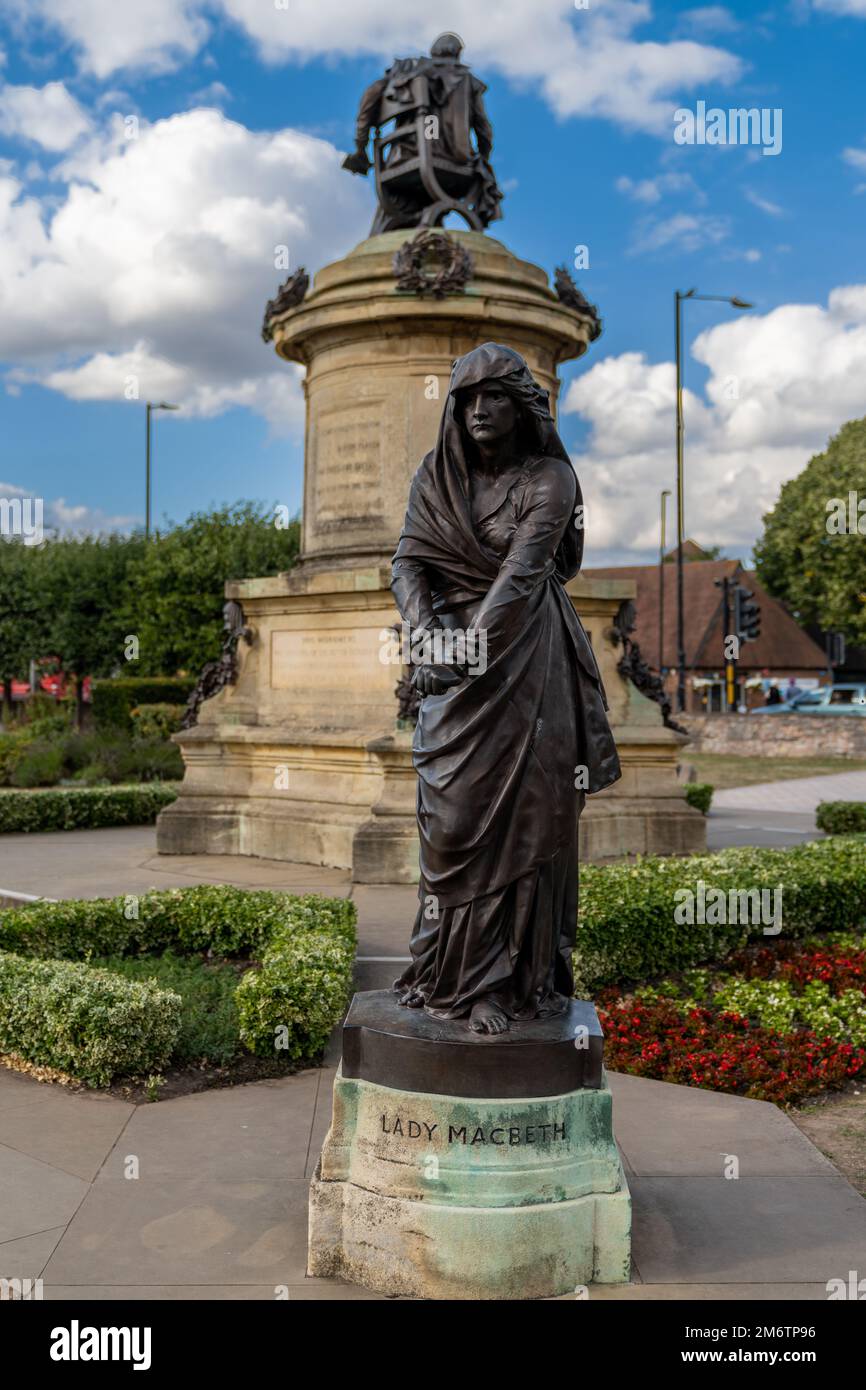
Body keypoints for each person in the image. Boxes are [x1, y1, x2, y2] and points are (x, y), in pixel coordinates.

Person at [390, 343, 620, 1035]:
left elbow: (522, 576)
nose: (481, 409)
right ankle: (443, 974)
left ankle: (503, 986)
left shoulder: (550, 479)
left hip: (530, 665)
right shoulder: (438, 475)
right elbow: (407, 561)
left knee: (526, 821)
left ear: (524, 407)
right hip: (455, 672)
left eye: (495, 396)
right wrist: (427, 634)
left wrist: (462, 652)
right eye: (467, 398)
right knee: (453, 822)